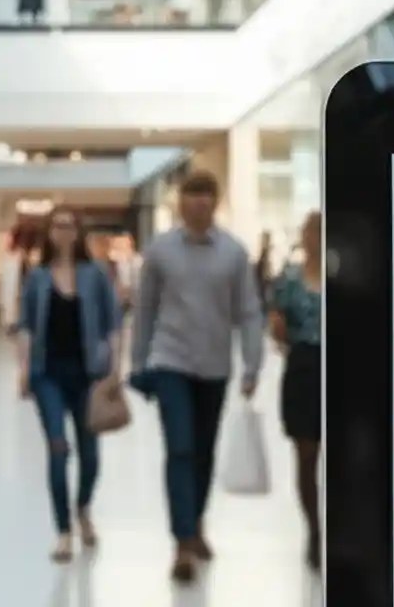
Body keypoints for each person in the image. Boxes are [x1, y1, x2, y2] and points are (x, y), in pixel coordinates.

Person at [129, 170, 264, 582]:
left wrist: (252, 364)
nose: (199, 202)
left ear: (216, 201)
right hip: (170, 363)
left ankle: (196, 521)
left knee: (203, 451)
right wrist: (138, 364)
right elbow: (145, 308)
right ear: (180, 202)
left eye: (207, 194)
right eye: (192, 194)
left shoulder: (234, 254)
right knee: (181, 449)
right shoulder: (160, 251)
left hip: (214, 367)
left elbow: (248, 311)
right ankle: (182, 543)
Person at [16, 206, 121, 563]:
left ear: (78, 232)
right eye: (57, 225)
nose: (63, 232)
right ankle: (62, 531)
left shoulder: (96, 275)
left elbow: (113, 324)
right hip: (48, 374)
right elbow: (26, 326)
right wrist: (24, 368)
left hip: (89, 375)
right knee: (58, 448)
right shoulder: (37, 277)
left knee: (90, 455)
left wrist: (114, 370)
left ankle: (83, 508)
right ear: (49, 232)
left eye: (69, 225)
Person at [269, 211, 322, 568]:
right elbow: (278, 324)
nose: (315, 238)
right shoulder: (289, 278)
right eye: (311, 232)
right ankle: (314, 529)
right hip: (304, 366)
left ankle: (342, 528)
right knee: (305, 454)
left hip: (344, 368)